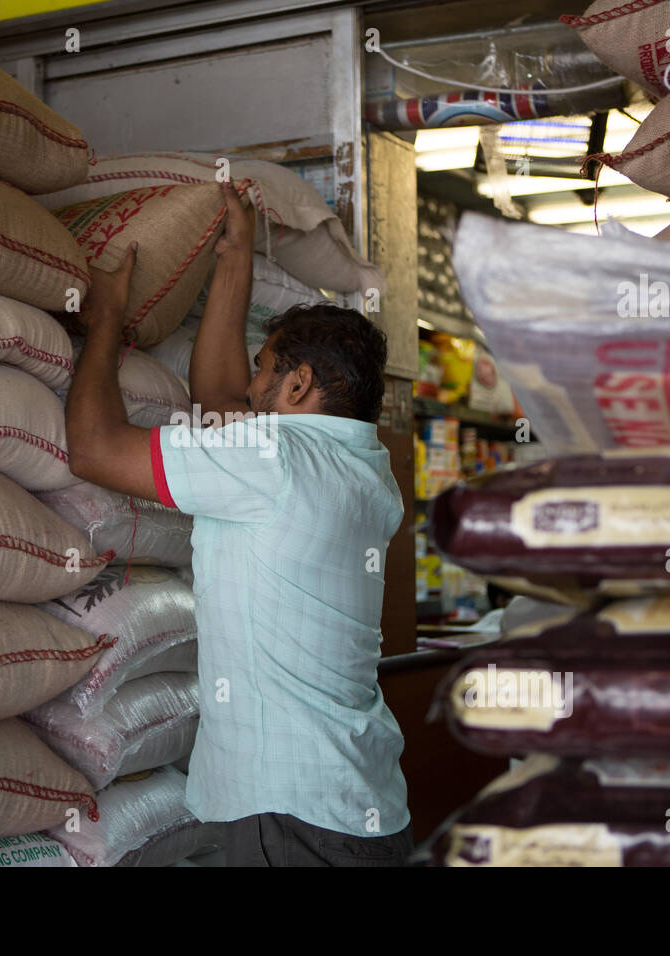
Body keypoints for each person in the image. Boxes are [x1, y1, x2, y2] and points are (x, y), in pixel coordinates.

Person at [65, 182, 412, 866]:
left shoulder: (275, 459)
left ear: (299, 385)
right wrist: (236, 254)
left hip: (290, 819)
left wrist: (103, 324)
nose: (250, 391)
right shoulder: (363, 471)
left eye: (264, 372)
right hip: (355, 808)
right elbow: (221, 405)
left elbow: (96, 449)